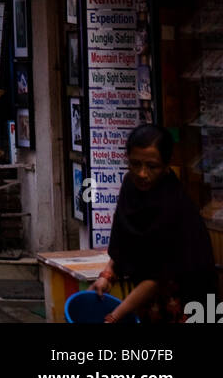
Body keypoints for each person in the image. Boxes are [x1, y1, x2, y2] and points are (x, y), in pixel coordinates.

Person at [92, 123, 217, 324]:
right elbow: (124, 244)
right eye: (135, 164)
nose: (142, 174)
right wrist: (106, 275)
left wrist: (114, 316)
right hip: (146, 299)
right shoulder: (130, 188)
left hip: (185, 300)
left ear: (167, 166)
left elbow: (157, 275)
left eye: (152, 166)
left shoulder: (174, 206)